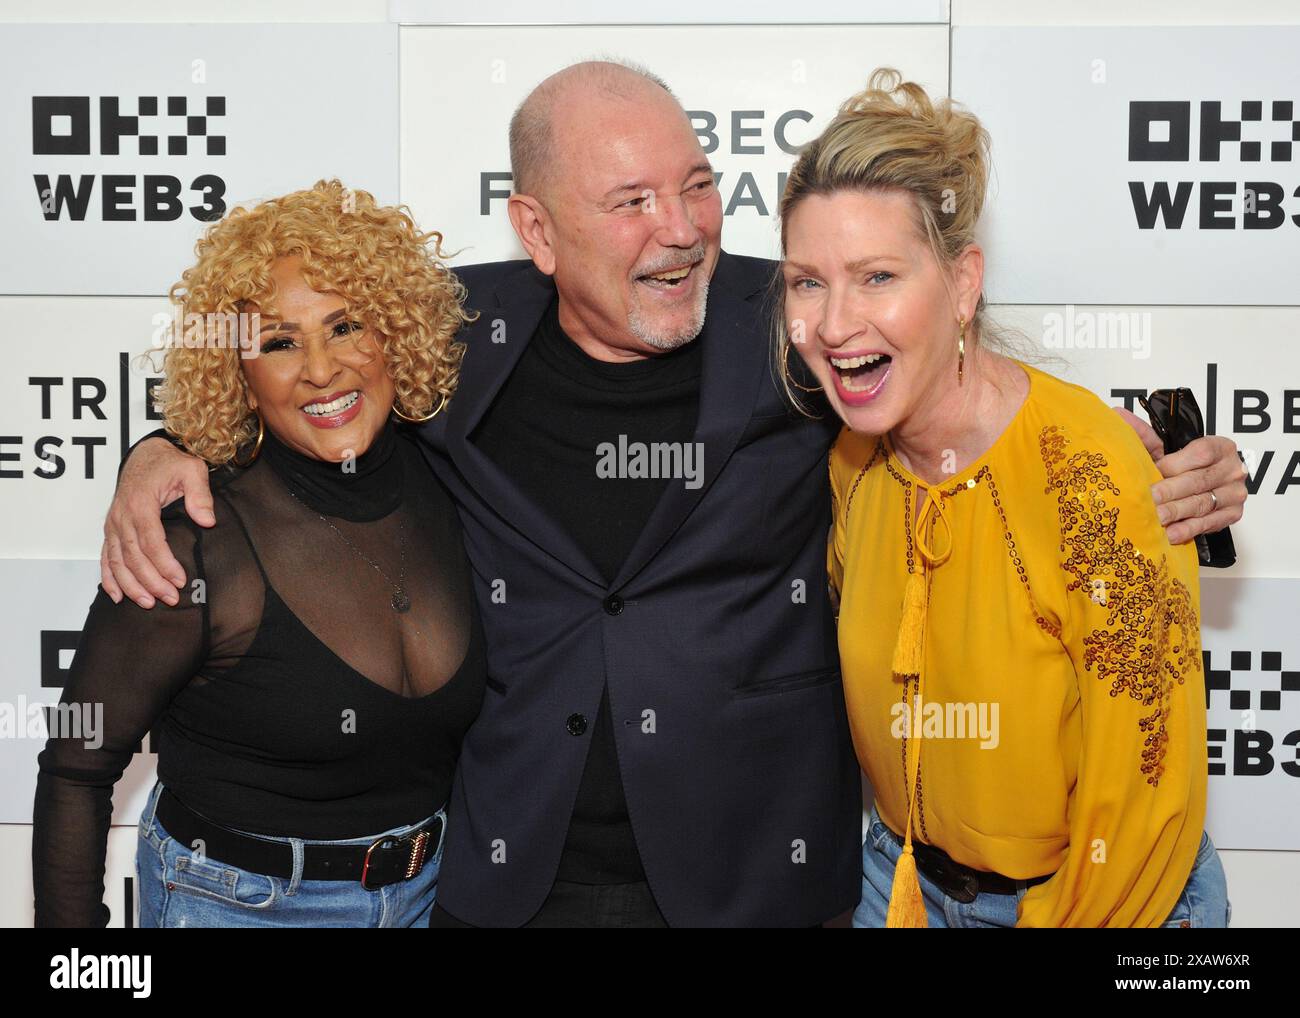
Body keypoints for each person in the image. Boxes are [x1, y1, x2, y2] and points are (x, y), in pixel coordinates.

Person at [99, 62, 1246, 928]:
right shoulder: (446, 336)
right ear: (537, 232)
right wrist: (166, 443)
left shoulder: (799, 326)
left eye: (696, 187)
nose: (682, 230)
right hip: (514, 883)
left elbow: (971, 397)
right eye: (631, 201)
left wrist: (1154, 467)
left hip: (761, 885)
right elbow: (302, 373)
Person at [779, 69, 1230, 927]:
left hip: (1098, 903)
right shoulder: (851, 461)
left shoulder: (1094, 477)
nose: (834, 325)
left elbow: (1142, 806)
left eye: (877, 277)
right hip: (902, 884)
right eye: (807, 281)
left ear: (963, 284)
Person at [33, 180, 486, 927]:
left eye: (346, 326)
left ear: (397, 333)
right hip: (235, 907)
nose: (320, 368)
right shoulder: (195, 541)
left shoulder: (454, 477)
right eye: (278, 342)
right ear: (236, 375)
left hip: (431, 895)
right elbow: (77, 768)